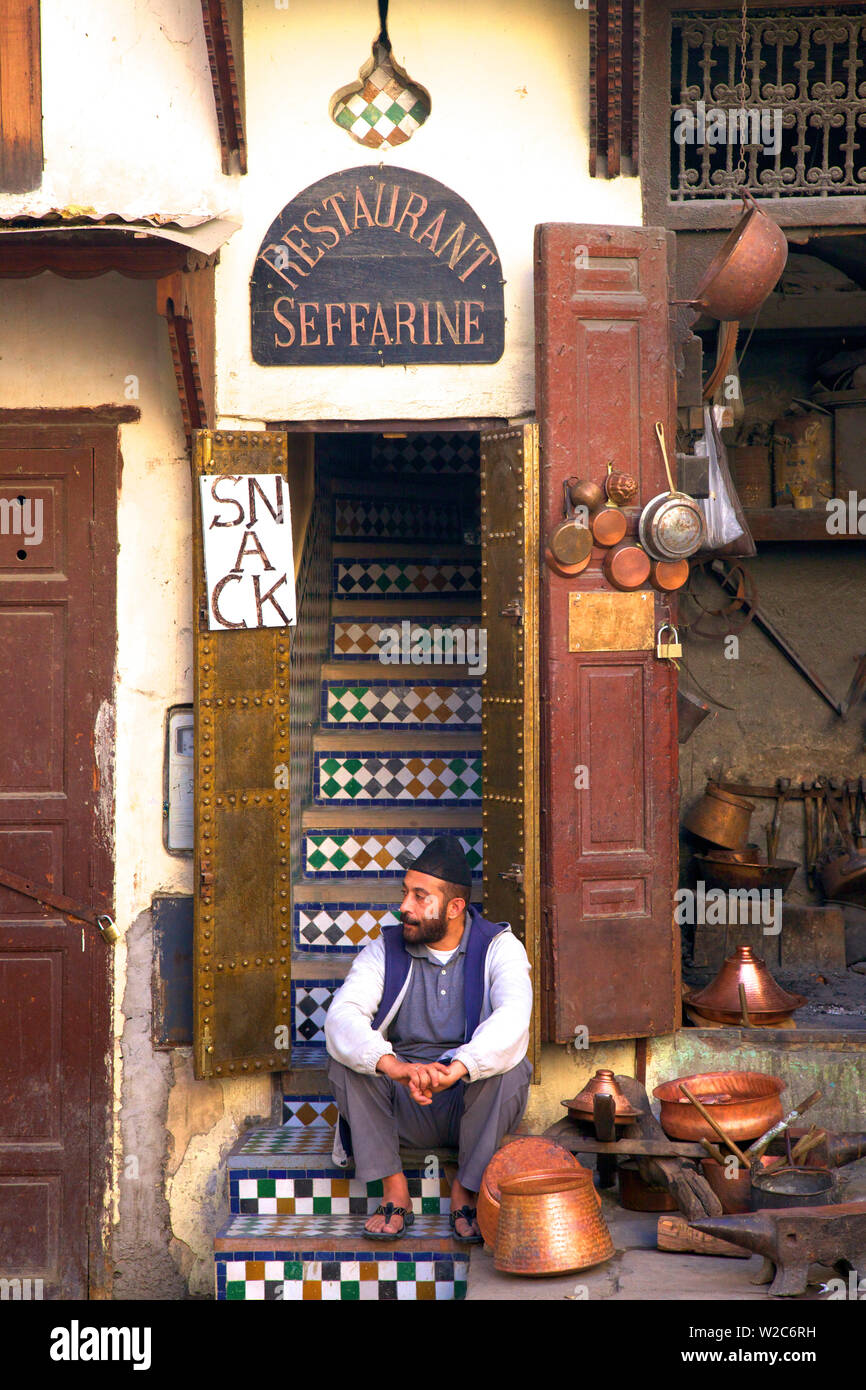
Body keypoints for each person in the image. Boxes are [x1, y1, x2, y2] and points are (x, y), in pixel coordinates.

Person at [324, 835, 533, 1242]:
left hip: (466, 1101)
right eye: (405, 893)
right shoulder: (383, 950)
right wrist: (394, 1067)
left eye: (420, 897)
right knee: (346, 1057)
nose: (404, 907)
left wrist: (458, 1068)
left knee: (510, 1067)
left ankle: (466, 1190)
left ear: (455, 907)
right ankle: (394, 1190)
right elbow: (342, 1017)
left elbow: (513, 1017)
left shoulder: (499, 948)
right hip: (403, 1103)